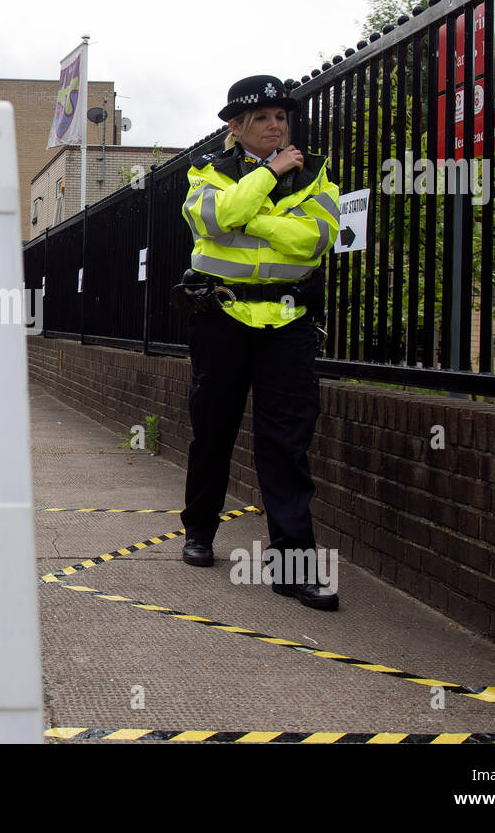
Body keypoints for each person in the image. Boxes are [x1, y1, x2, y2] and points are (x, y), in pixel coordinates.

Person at [176, 74, 341, 610]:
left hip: (288, 324)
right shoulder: (207, 173)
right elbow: (216, 219)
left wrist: (254, 216)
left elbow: (314, 240)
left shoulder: (316, 172)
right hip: (221, 316)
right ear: (237, 126)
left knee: (286, 443)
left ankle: (294, 566)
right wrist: (270, 180)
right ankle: (199, 530)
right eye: (263, 118)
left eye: (281, 118)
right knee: (213, 431)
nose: (276, 126)